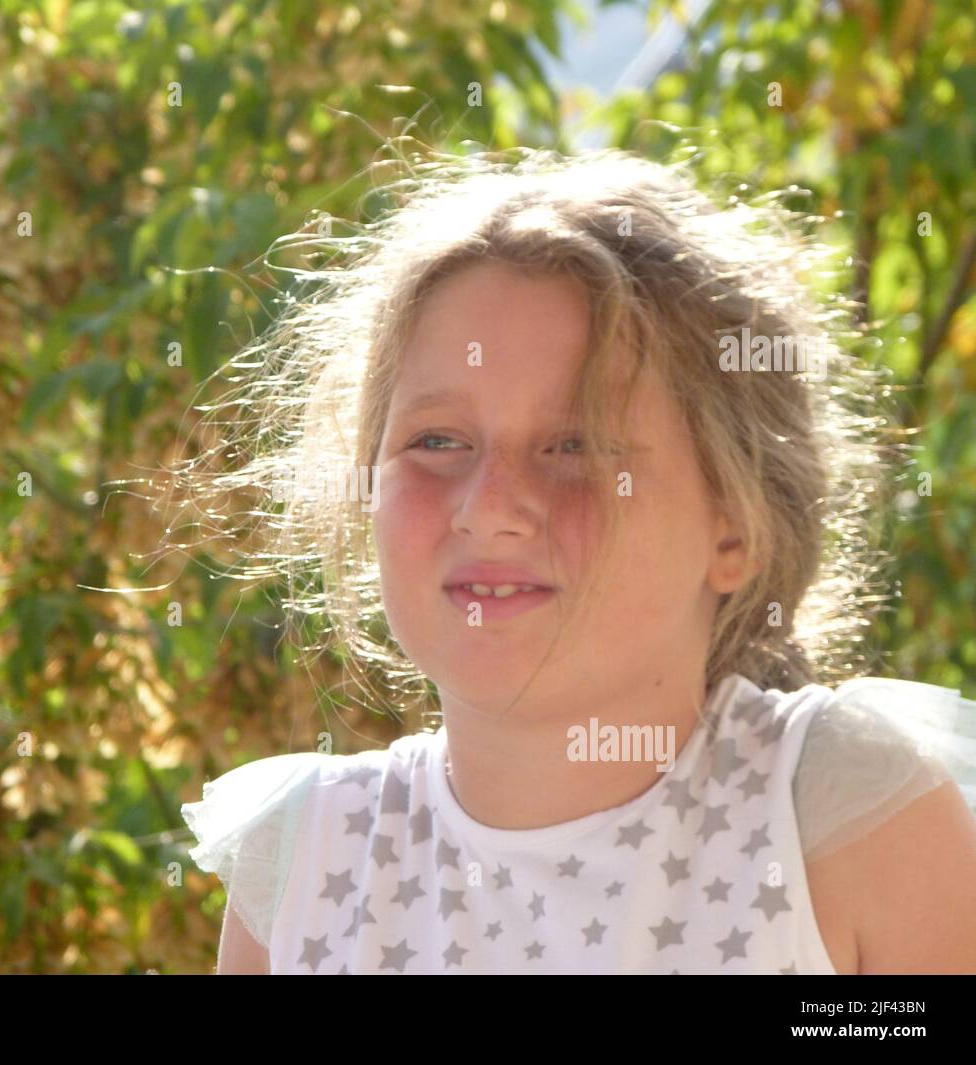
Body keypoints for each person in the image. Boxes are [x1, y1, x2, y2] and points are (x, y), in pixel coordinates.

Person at [163, 146, 976, 974]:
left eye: (574, 444)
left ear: (735, 525)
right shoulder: (305, 867)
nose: (488, 506)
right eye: (437, 440)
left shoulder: (849, 821)